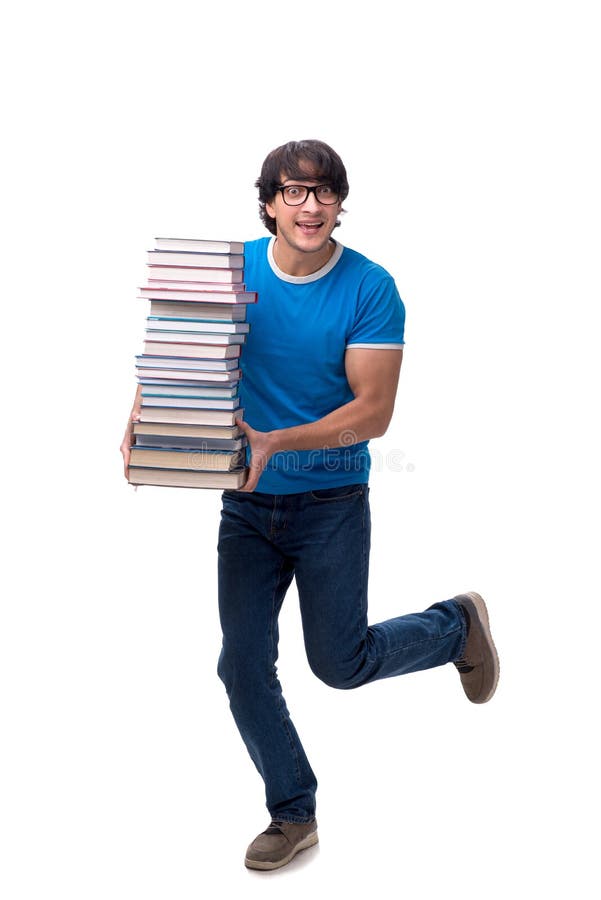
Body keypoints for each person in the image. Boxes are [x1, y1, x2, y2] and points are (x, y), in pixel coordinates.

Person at [121, 139, 500, 872]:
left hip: (329, 500)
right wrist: (143, 415)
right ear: (267, 203)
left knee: (341, 663)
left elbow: (374, 413)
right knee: (242, 666)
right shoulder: (226, 271)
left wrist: (278, 442)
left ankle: (454, 626)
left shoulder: (370, 286)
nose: (309, 206)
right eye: (293, 192)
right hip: (245, 505)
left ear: (338, 205)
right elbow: (175, 351)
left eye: (323, 193)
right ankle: (292, 812)